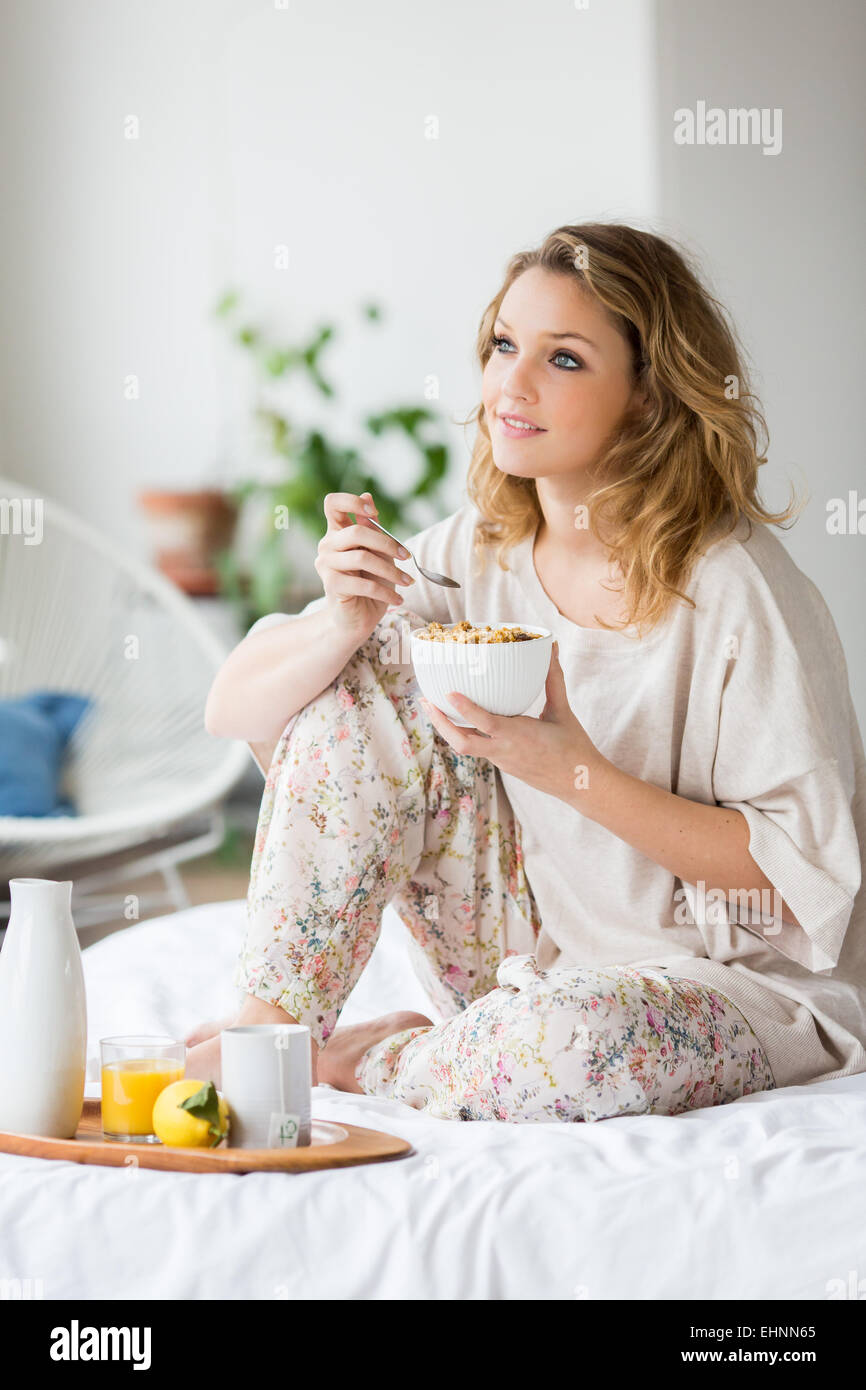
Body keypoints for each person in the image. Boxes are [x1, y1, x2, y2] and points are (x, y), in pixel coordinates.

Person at [186, 222, 866, 1123]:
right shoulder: (476, 555)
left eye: (567, 359)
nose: (513, 381)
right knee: (357, 679)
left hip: (726, 991)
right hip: (521, 962)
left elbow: (797, 883)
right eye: (505, 344)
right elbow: (235, 707)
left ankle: (373, 1060)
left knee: (569, 1047)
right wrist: (342, 624)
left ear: (650, 397)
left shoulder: (737, 592)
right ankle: (269, 1044)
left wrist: (568, 767)